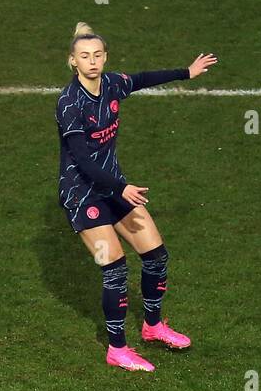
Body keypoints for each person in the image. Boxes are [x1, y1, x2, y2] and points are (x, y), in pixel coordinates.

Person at [56, 21, 217, 371]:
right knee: (114, 267)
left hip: (114, 187)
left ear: (105, 57)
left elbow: (142, 79)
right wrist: (119, 188)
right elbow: (82, 160)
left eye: (98, 55)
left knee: (156, 255)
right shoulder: (69, 104)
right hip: (84, 196)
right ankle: (117, 349)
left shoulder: (112, 83)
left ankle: (153, 326)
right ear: (73, 62)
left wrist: (186, 73)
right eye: (85, 56)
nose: (93, 61)